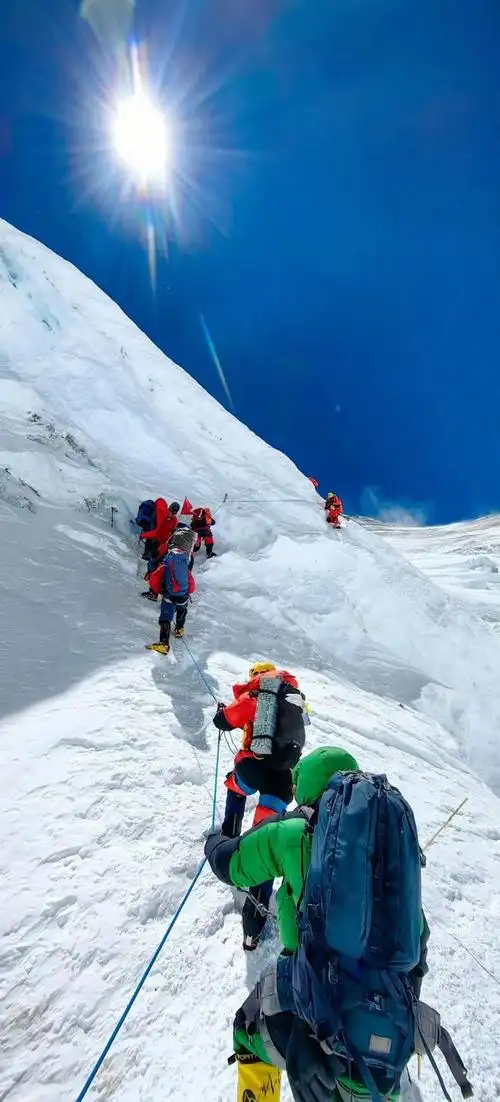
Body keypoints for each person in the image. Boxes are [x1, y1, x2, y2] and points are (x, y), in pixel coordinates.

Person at [205, 747, 473, 1102]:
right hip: (388, 1033)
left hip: (315, 1024)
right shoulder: (388, 848)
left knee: (247, 1027)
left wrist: (214, 842)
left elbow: (232, 865)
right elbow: (418, 940)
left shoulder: (292, 832)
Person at [212, 661, 307, 949]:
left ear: (256, 676)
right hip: (282, 780)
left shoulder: (258, 695)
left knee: (235, 787)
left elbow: (224, 720)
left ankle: (228, 842)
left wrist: (221, 712)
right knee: (264, 850)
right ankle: (252, 933)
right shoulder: (294, 701)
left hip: (253, 768)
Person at [147, 528, 196, 653]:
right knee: (182, 610)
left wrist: (159, 591)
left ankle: (164, 643)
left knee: (165, 618)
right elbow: (192, 585)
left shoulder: (166, 563)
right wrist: (187, 592)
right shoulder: (185, 565)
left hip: (169, 596)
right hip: (183, 596)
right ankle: (179, 629)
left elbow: (154, 580)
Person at [140, 500, 181, 597]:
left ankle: (153, 590)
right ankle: (152, 581)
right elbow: (156, 530)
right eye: (172, 510)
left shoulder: (174, 520)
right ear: (169, 508)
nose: (172, 512)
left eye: (175, 511)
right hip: (158, 542)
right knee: (153, 561)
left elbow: (171, 533)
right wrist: (145, 535)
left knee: (157, 565)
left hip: (164, 545)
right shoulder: (163, 515)